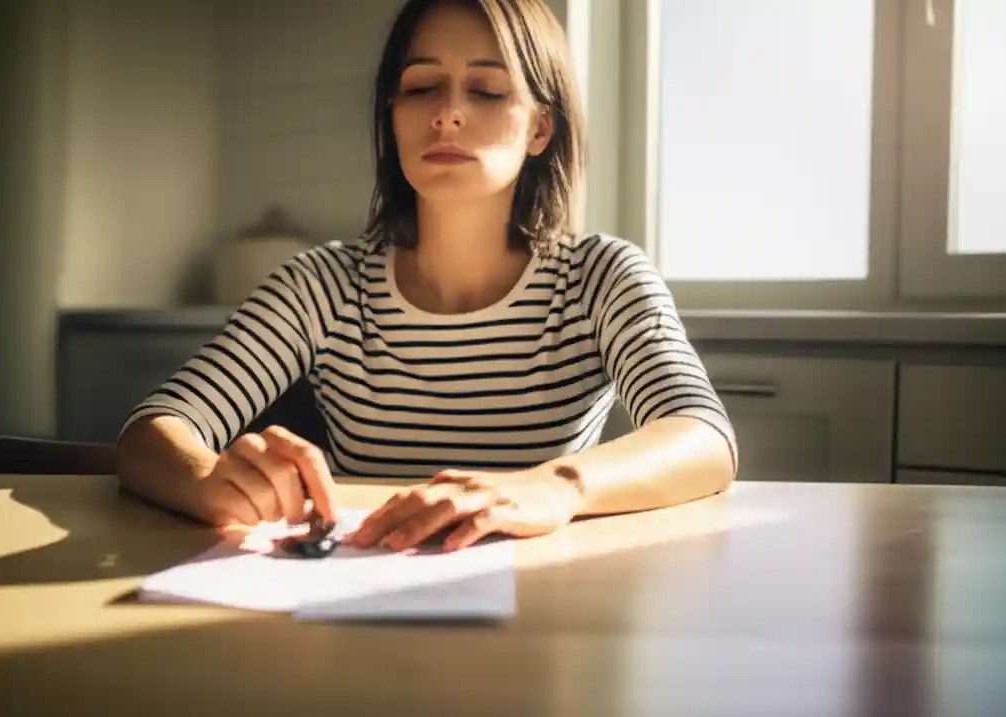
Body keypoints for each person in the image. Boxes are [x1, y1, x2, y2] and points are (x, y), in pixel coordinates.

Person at [115, 0, 737, 553]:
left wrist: (556, 487)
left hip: (541, 608)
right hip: (355, 607)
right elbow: (152, 431)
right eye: (421, 88)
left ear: (541, 128)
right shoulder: (321, 286)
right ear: (393, 117)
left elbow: (704, 437)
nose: (447, 114)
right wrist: (203, 476)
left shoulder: (600, 277)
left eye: (487, 91)